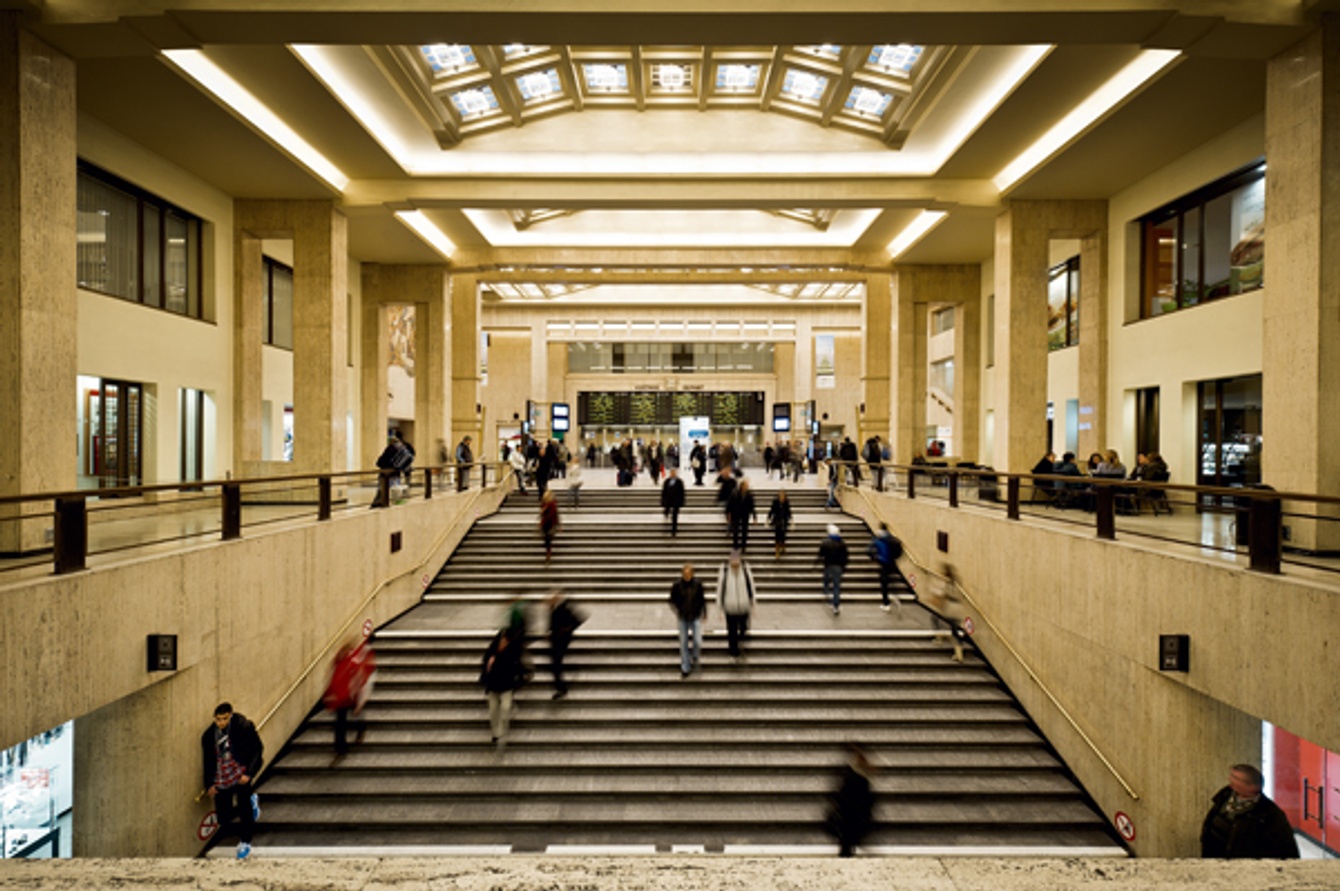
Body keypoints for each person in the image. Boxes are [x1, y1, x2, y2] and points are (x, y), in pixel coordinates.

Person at [201, 702, 264, 859]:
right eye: (218, 719)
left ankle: (245, 842)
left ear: (231, 716)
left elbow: (257, 750)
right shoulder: (209, 736)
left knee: (244, 809)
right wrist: (209, 784)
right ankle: (252, 803)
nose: (221, 722)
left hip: (240, 773)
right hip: (222, 777)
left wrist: (248, 774)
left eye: (225, 718)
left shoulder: (243, 726)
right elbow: (207, 761)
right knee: (223, 816)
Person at [1200, 763, 1299, 859]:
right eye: (1232, 776)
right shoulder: (1224, 796)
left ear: (1252, 787)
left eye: (1236, 779)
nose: (1230, 780)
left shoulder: (1271, 814)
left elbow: (1286, 851)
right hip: (1213, 859)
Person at [322, 639, 377, 757]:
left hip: (349, 695)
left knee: (350, 717)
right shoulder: (339, 662)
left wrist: (358, 695)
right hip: (342, 696)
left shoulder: (352, 661)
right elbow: (333, 678)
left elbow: (358, 677)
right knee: (341, 721)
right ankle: (340, 746)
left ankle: (358, 731)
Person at [479, 624, 526, 747]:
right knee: (493, 709)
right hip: (493, 685)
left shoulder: (513, 651)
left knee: (505, 708)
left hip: (506, 685)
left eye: (505, 640)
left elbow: (518, 667)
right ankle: (496, 733)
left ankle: (502, 729)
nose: (503, 642)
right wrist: (488, 666)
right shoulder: (493, 649)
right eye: (502, 640)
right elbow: (485, 662)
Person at [826, 744, 876, 858]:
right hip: (851, 813)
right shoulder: (854, 776)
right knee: (848, 839)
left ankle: (847, 852)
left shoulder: (850, 774)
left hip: (850, 812)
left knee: (847, 840)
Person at [669, 563, 707, 678]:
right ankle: (685, 666)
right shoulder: (677, 585)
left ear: (692, 574)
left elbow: (702, 599)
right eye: (685, 573)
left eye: (689, 573)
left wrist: (704, 612)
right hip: (683, 617)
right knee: (683, 642)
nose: (687, 575)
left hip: (695, 615)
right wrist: (678, 609)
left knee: (697, 640)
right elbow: (672, 600)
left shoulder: (698, 585)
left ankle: (695, 654)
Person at [716, 550, 756, 659]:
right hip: (730, 605)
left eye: (737, 560)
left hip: (743, 604)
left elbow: (751, 586)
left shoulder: (745, 569)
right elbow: (720, 588)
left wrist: (753, 602)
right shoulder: (724, 570)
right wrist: (719, 606)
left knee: (744, 627)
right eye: (733, 560)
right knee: (731, 630)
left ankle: (740, 639)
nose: (735, 562)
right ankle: (733, 649)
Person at [546, 589, 585, 700]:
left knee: (556, 664)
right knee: (555, 664)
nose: (548, 601)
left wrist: (567, 630)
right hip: (556, 639)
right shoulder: (554, 608)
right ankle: (560, 687)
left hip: (561, 640)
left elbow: (579, 619)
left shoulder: (564, 607)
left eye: (550, 599)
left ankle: (561, 688)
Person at [866, 522, 904, 612]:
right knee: (891, 581)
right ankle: (895, 595)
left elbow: (869, 550)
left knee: (884, 584)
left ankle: (886, 604)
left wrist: (875, 557)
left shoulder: (879, 538)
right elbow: (899, 550)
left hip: (884, 563)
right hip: (892, 563)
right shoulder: (892, 538)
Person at [817, 524, 849, 616]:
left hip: (828, 565)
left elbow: (821, 554)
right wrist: (843, 566)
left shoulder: (825, 542)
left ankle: (826, 592)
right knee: (836, 586)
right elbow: (846, 556)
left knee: (826, 579)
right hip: (838, 566)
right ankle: (836, 606)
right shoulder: (842, 543)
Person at [726, 478, 757, 552]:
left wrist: (754, 516)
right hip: (736, 513)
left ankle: (743, 545)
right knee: (735, 530)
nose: (747, 487)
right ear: (742, 486)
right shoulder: (734, 493)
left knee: (744, 530)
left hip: (745, 514)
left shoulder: (749, 494)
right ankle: (735, 545)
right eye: (746, 485)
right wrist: (728, 513)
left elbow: (752, 506)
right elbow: (729, 504)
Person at [767, 488, 792, 558]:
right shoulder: (776, 501)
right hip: (777, 521)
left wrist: (791, 520)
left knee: (783, 535)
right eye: (781, 494)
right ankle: (777, 551)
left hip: (784, 521)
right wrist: (768, 518)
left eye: (783, 494)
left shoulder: (786, 502)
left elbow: (788, 511)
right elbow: (772, 510)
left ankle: (783, 546)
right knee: (777, 536)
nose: (782, 496)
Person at [661, 466, 686, 536]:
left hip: (676, 501)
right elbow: (664, 492)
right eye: (671, 472)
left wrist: (682, 501)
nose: (673, 474)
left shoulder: (679, 482)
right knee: (668, 509)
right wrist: (663, 500)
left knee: (675, 516)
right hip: (669, 500)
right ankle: (666, 512)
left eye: (674, 472)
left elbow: (682, 492)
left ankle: (674, 530)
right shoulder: (667, 481)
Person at [538, 489, 560, 564]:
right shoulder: (544, 504)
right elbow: (541, 513)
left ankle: (548, 554)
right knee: (546, 538)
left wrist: (559, 525)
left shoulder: (553, 504)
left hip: (551, 524)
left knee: (548, 538)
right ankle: (548, 552)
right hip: (545, 524)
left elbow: (554, 514)